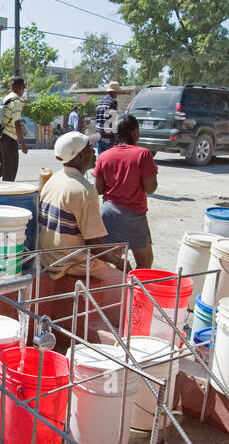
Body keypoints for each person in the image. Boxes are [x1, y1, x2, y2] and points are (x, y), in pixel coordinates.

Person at [37, 131, 127, 335]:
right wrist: (120, 262)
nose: (94, 153)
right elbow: (93, 244)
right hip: (68, 261)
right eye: (89, 150)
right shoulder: (85, 190)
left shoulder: (53, 179)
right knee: (121, 280)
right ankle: (117, 329)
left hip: (48, 255)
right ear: (78, 157)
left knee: (113, 253)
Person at [94, 113, 158, 269]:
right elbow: (151, 188)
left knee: (112, 263)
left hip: (107, 214)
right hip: (133, 216)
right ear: (135, 132)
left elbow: (98, 189)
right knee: (145, 264)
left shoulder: (104, 156)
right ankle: (132, 292)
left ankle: (115, 292)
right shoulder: (143, 154)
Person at [0, 76, 27, 182]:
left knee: (4, 167)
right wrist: (23, 144)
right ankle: (7, 193)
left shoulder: (6, 98)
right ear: (20, 87)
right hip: (9, 139)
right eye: (23, 89)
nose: (23, 91)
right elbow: (17, 123)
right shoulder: (16, 101)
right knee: (11, 170)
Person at [95, 81, 121, 154]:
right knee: (110, 158)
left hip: (99, 134)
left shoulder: (100, 102)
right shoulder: (112, 102)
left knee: (101, 158)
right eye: (117, 92)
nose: (117, 94)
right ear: (114, 92)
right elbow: (113, 120)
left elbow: (98, 119)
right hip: (108, 135)